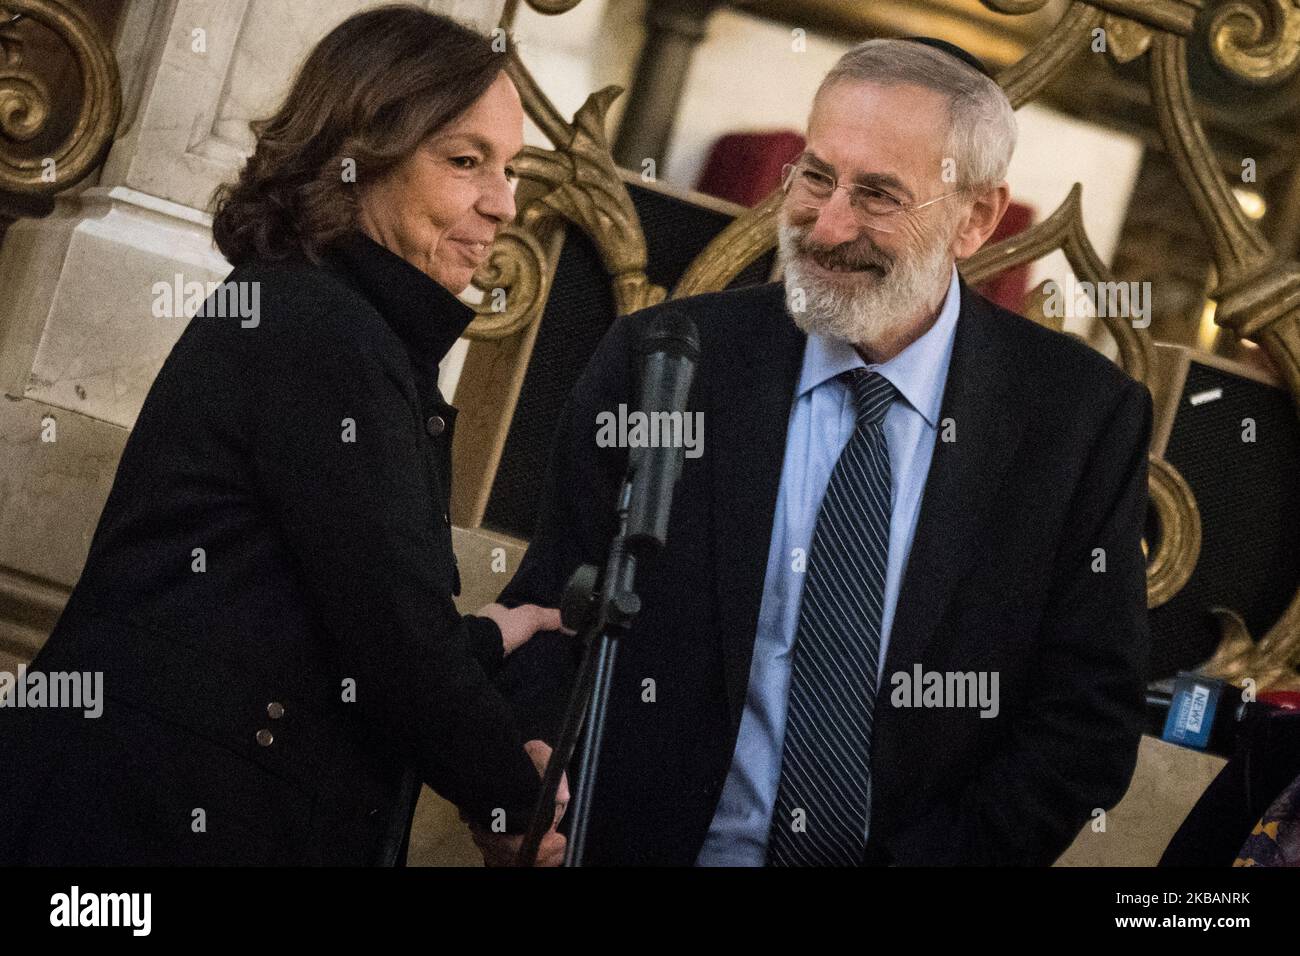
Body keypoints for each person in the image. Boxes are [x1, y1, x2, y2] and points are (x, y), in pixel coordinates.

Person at [478, 37, 1153, 866]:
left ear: (974, 217)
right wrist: (530, 769)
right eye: (816, 175)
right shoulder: (666, 362)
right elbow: (555, 605)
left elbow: (1087, 718)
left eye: (877, 195)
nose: (827, 225)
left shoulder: (1078, 420)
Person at [0, 6, 567, 866]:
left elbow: (317, 611)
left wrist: (487, 637)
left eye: (511, 169)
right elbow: (390, 635)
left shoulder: (328, 316)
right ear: (358, 157)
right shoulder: (323, 330)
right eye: (464, 162)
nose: (501, 205)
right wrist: (512, 800)